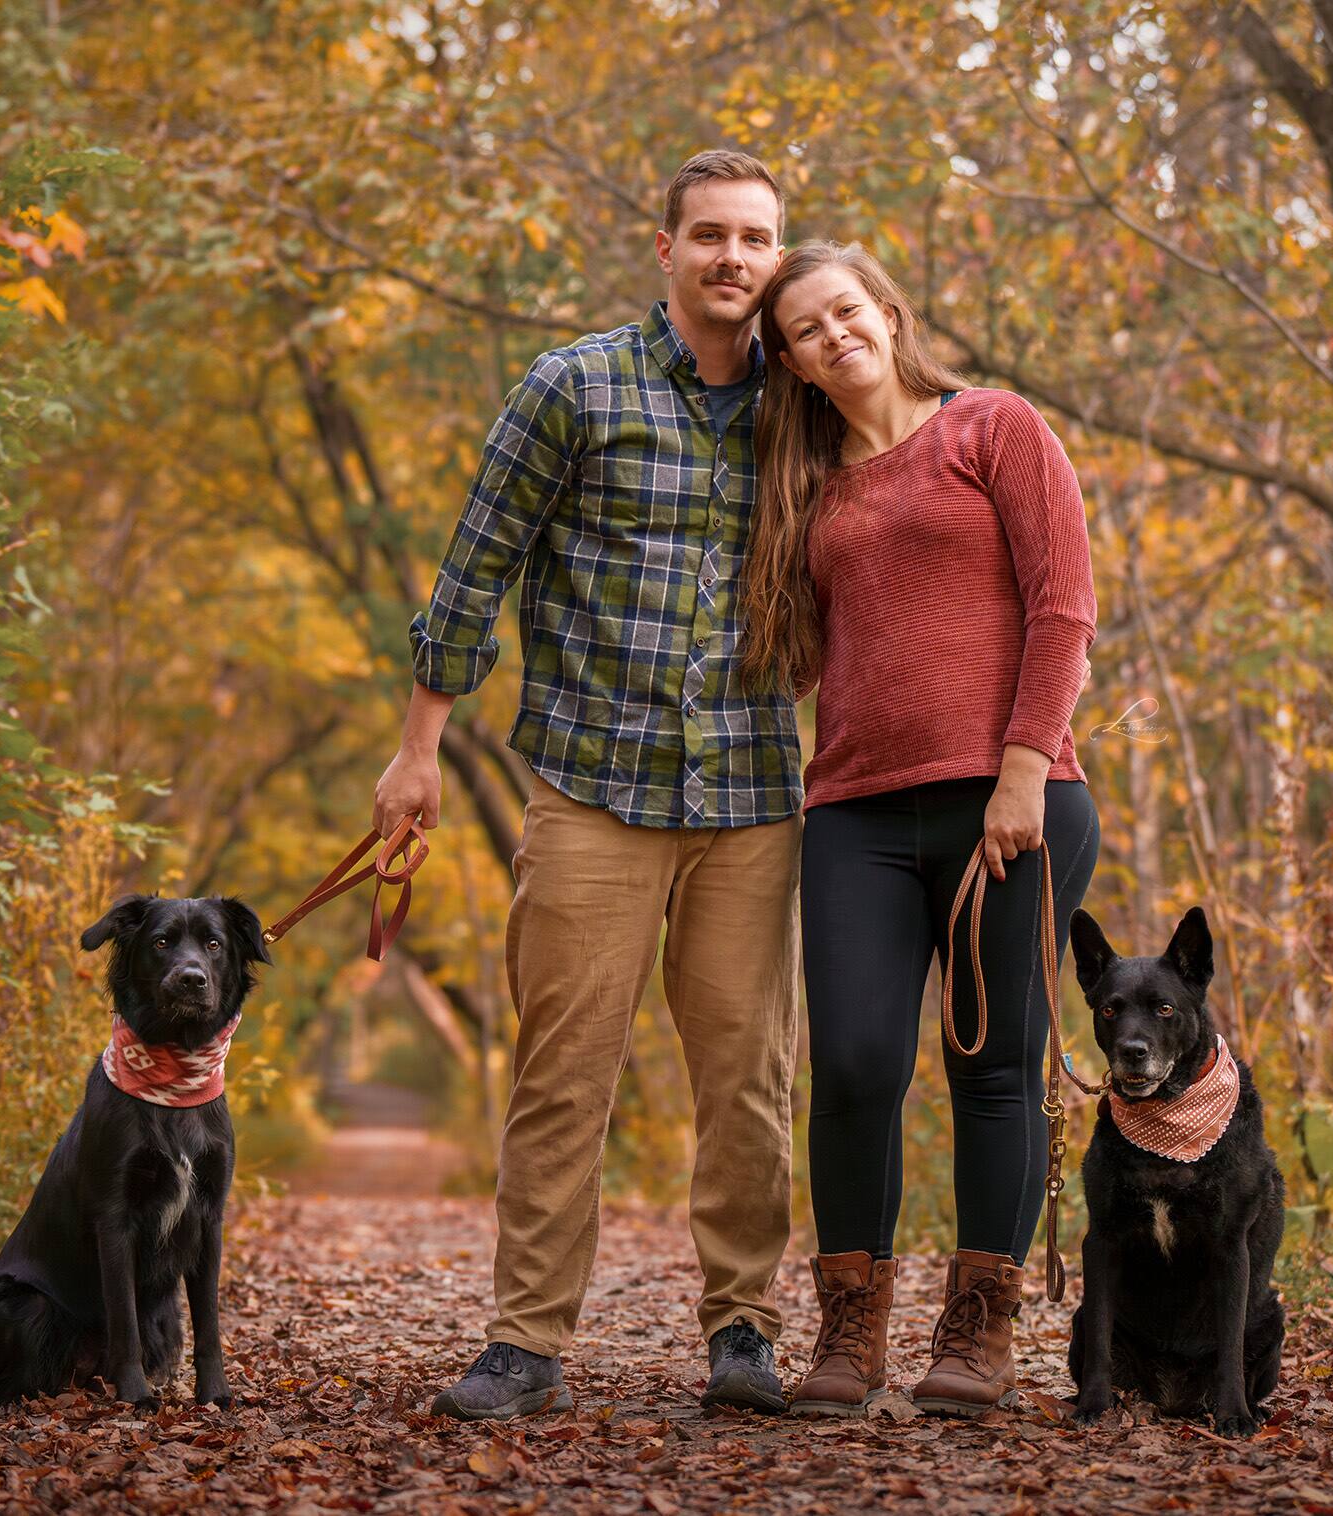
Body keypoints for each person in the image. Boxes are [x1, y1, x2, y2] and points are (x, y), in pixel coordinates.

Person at [373, 151, 801, 1421]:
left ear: (779, 255)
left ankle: (743, 1333)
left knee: (747, 1074)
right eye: (711, 236)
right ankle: (525, 1342)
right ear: (661, 247)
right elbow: (474, 567)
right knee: (565, 1070)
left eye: (758, 240)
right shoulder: (573, 385)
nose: (735, 259)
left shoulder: (809, 402)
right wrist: (417, 752)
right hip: (593, 786)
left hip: (751, 792)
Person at [740, 240, 1101, 1419]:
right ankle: (848, 1338)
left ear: (886, 313)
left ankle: (978, 1333)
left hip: (1009, 802)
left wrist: (1020, 773)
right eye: (804, 329)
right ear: (787, 361)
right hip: (852, 808)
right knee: (849, 1068)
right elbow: (804, 653)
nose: (832, 334)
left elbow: (1062, 608)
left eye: (846, 309)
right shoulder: (803, 486)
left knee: (990, 1068)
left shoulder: (990, 427)